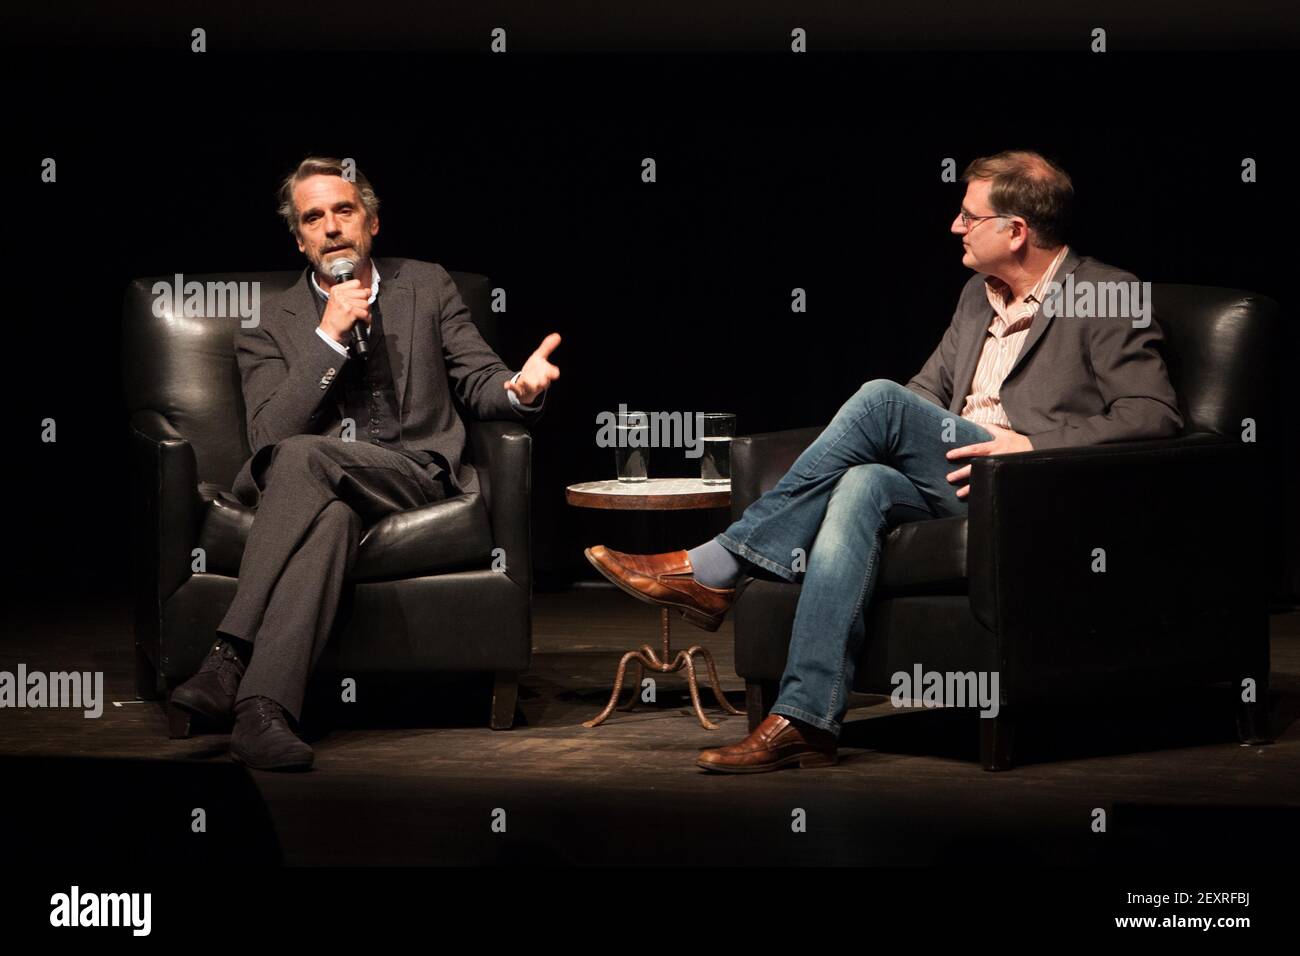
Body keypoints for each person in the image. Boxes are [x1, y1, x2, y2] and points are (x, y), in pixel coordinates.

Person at [586, 150, 1182, 773]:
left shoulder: (1106, 294)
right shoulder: (977, 298)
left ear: (1015, 230)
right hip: (952, 478)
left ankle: (715, 565)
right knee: (863, 482)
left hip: (1028, 488)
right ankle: (806, 721)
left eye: (968, 215)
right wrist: (896, 429)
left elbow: (1151, 414)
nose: (955, 226)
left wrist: (1026, 445)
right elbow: (923, 395)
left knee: (877, 399)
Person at [170, 157, 561, 770]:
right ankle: (261, 712)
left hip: (410, 475)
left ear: (371, 223)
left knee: (303, 459)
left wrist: (520, 388)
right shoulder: (268, 326)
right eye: (313, 218)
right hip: (316, 494)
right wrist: (325, 341)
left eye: (344, 210)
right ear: (299, 239)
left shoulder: (426, 285)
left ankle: (227, 653)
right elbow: (269, 438)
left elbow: (479, 376)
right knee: (324, 517)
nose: (330, 227)